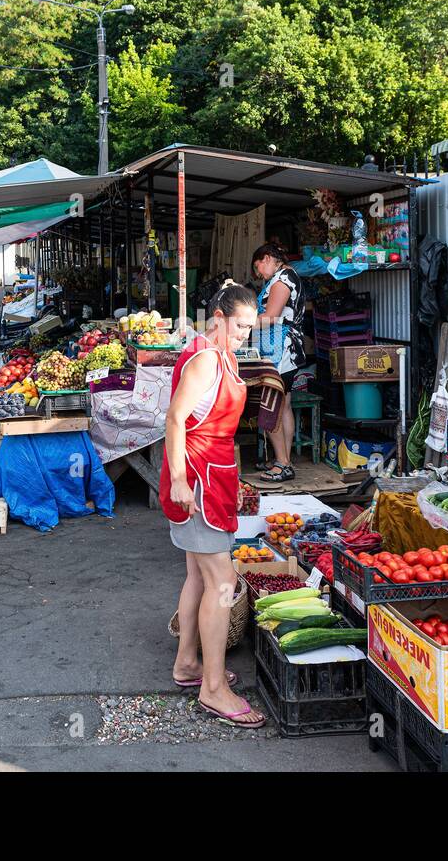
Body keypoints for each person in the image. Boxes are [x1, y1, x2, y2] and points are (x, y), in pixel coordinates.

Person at [161, 280, 265, 729]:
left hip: (214, 478)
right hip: (198, 484)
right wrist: (181, 480)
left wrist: (234, 477)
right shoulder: (205, 359)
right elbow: (175, 419)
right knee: (222, 578)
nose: (245, 335)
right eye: (240, 326)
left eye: (250, 327)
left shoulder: (220, 353)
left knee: (197, 575)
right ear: (218, 318)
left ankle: (188, 664)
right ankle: (214, 689)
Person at [251, 243, 306, 483]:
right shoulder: (284, 276)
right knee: (283, 405)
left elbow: (270, 316)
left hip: (280, 351)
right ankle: (284, 461)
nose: (258, 274)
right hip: (282, 351)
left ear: (266, 258)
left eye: (258, 267)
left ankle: (282, 463)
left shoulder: (283, 278)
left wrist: (237, 324)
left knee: (272, 405)